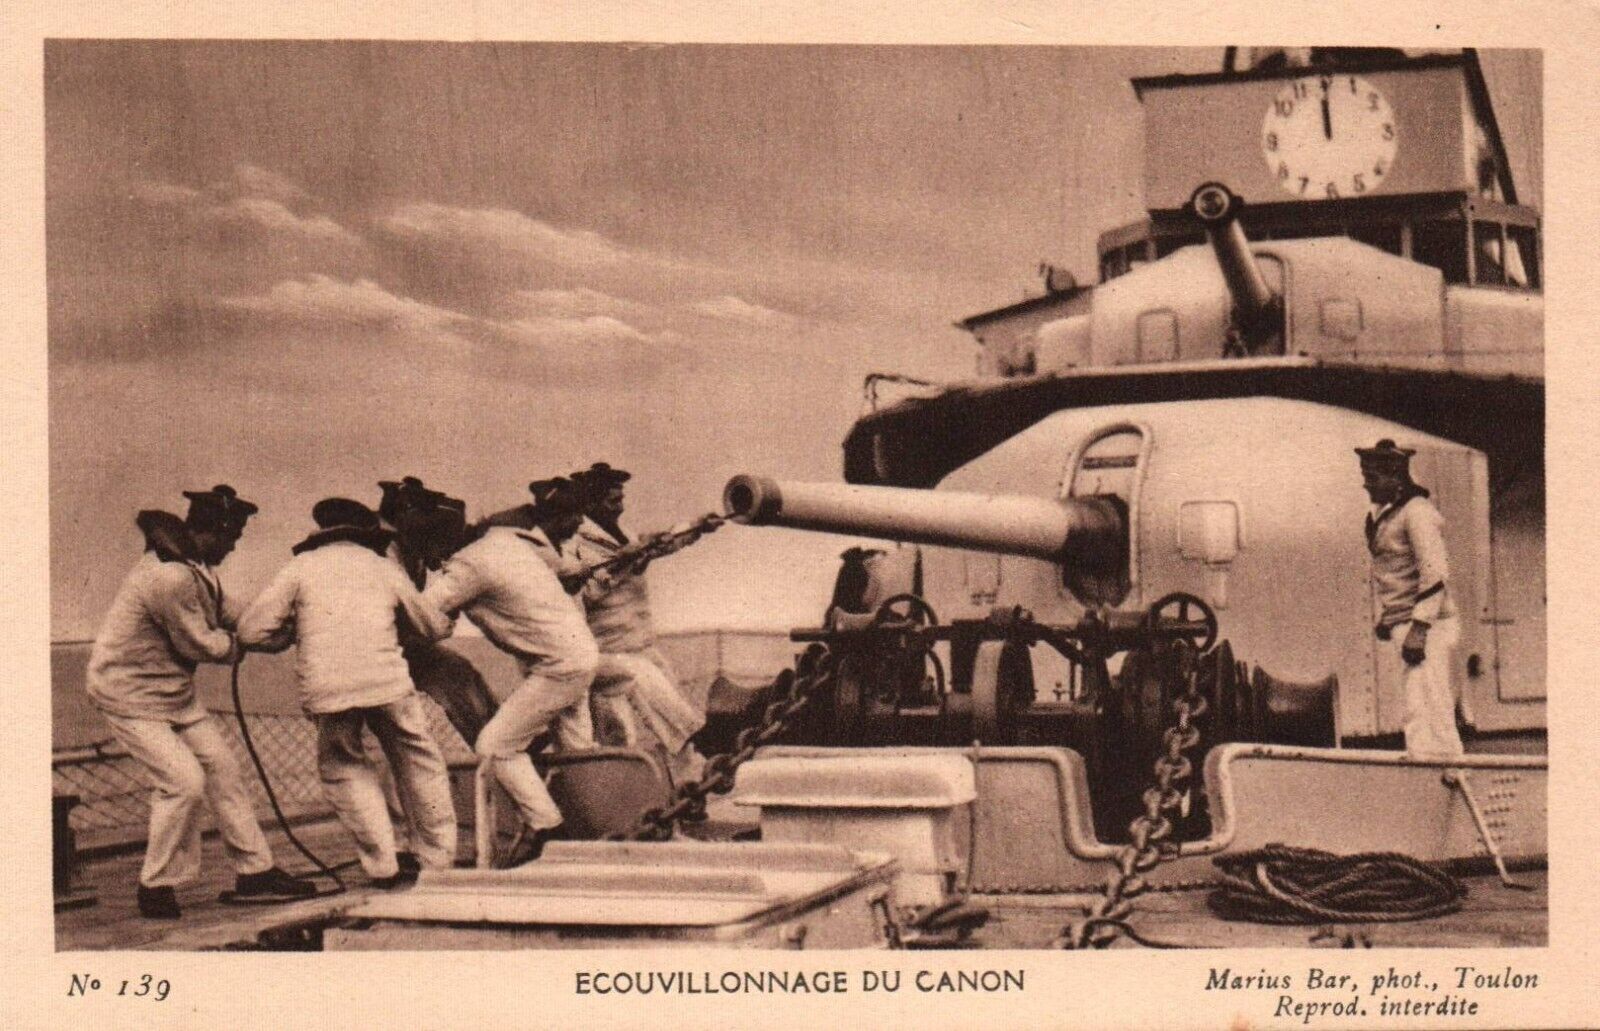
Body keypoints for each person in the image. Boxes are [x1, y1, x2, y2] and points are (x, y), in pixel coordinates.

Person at [85, 486, 316, 919]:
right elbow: (199, 645)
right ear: (212, 531)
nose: (232, 547)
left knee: (224, 772)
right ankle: (156, 885)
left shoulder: (196, 568)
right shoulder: (168, 576)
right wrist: (246, 644)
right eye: (231, 538)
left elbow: (233, 613)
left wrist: (280, 627)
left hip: (173, 695)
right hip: (128, 695)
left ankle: (256, 872)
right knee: (183, 782)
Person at [236, 498, 459, 887]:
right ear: (363, 534)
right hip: (387, 682)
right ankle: (438, 861)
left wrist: (289, 636)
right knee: (420, 762)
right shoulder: (382, 567)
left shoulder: (299, 568)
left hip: (329, 688)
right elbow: (431, 627)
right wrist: (442, 621)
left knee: (345, 769)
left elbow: (251, 631)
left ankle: (383, 865)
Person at [421, 487, 600, 861]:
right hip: (575, 655)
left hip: (558, 667)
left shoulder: (468, 566)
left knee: (495, 746)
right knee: (575, 751)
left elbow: (424, 618)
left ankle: (549, 830)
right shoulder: (503, 545)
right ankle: (591, 829)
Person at [568, 463, 707, 783]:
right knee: (617, 736)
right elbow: (581, 593)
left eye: (621, 499)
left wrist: (697, 527)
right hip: (609, 652)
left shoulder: (623, 534)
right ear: (590, 504)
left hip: (642, 646)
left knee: (677, 719)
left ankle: (690, 787)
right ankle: (619, 798)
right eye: (612, 501)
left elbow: (659, 542)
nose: (621, 507)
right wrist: (623, 564)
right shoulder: (579, 542)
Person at [1357, 439, 1464, 756]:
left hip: (1428, 626)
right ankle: (1426, 767)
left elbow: (1434, 573)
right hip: (1406, 622)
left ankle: (1443, 771)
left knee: (1429, 706)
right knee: (1417, 705)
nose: (1366, 484)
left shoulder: (1417, 513)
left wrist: (1419, 628)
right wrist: (1389, 618)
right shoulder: (1389, 513)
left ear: (1395, 476)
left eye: (1372, 477)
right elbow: (1396, 571)